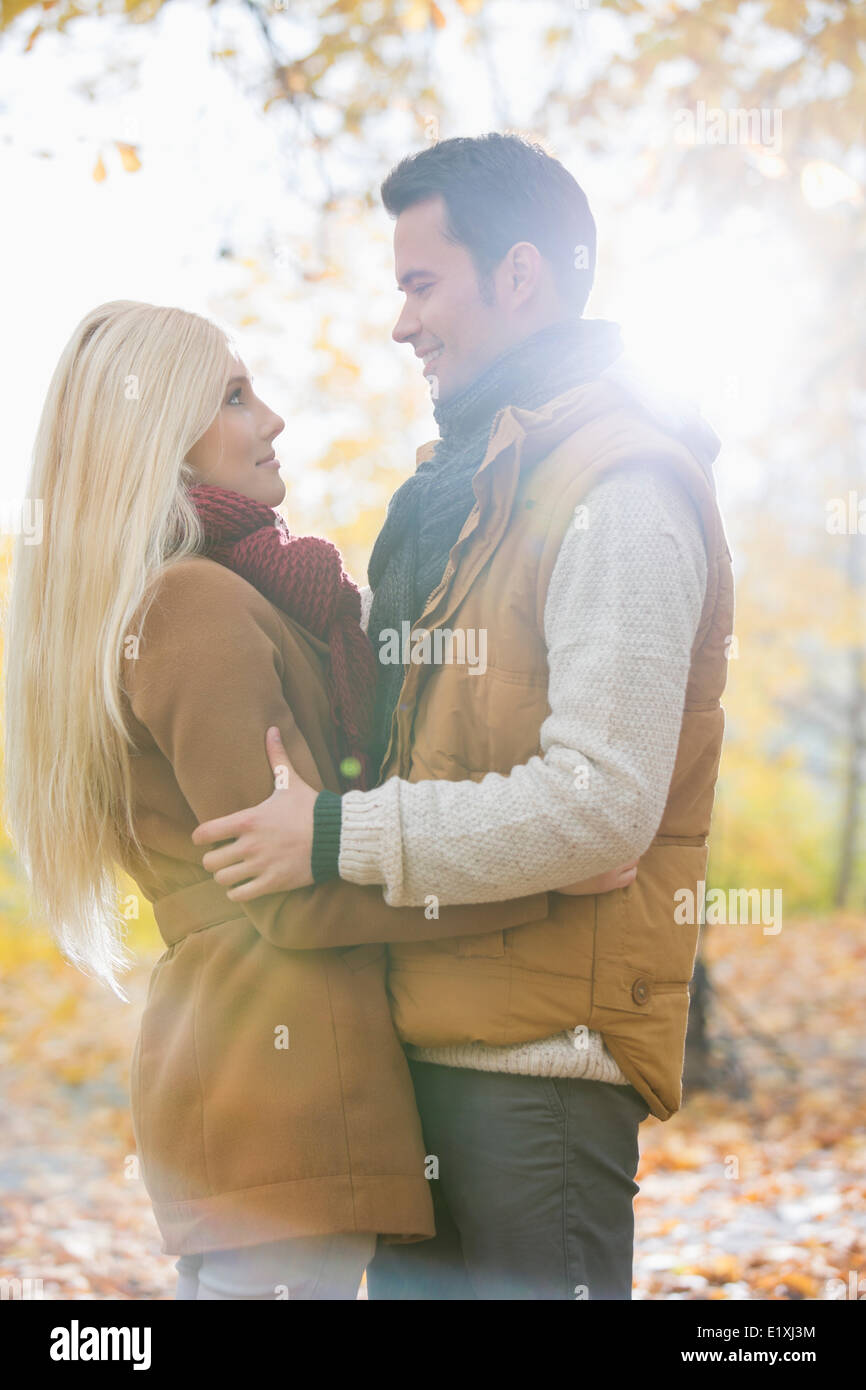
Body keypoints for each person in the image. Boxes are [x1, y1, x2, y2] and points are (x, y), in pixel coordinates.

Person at [190, 134, 735, 1300]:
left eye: (420, 283)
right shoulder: (464, 493)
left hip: (535, 1091)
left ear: (520, 275)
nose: (400, 322)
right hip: (415, 1068)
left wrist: (332, 836)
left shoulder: (619, 490)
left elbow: (599, 805)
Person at [2, 297, 633, 1300]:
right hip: (277, 1093)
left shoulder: (210, 590)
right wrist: (547, 878)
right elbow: (294, 880)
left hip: (270, 1085)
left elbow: (315, 841)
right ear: (158, 434)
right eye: (235, 396)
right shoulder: (191, 606)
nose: (274, 420)